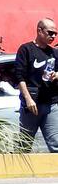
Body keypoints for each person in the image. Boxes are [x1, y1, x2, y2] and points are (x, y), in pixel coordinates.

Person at [14, 18, 58, 152]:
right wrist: (27, 99)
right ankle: (20, 171)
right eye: (50, 33)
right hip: (32, 104)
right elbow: (19, 76)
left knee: (56, 143)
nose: (53, 36)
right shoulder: (26, 49)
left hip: (51, 103)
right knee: (24, 145)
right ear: (39, 31)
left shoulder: (54, 53)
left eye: (55, 34)